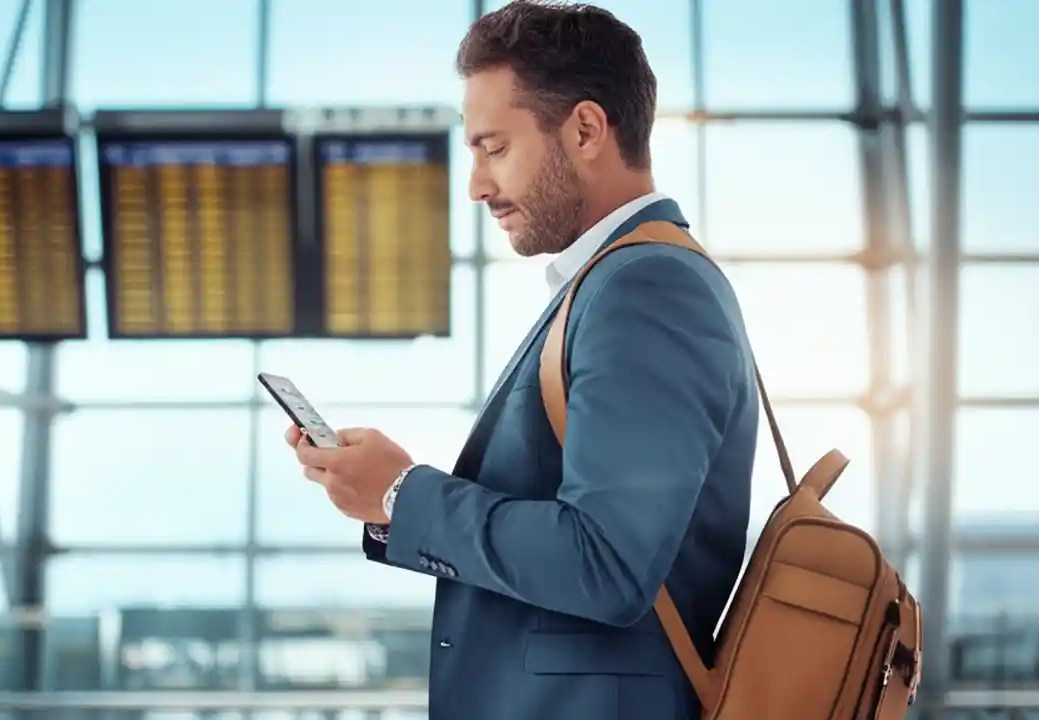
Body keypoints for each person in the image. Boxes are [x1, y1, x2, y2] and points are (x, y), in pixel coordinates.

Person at [285, 2, 758, 718]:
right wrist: (390, 499)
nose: (476, 185)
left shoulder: (646, 288)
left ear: (586, 129)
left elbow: (607, 564)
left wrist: (401, 495)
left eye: (493, 147)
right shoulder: (615, 283)